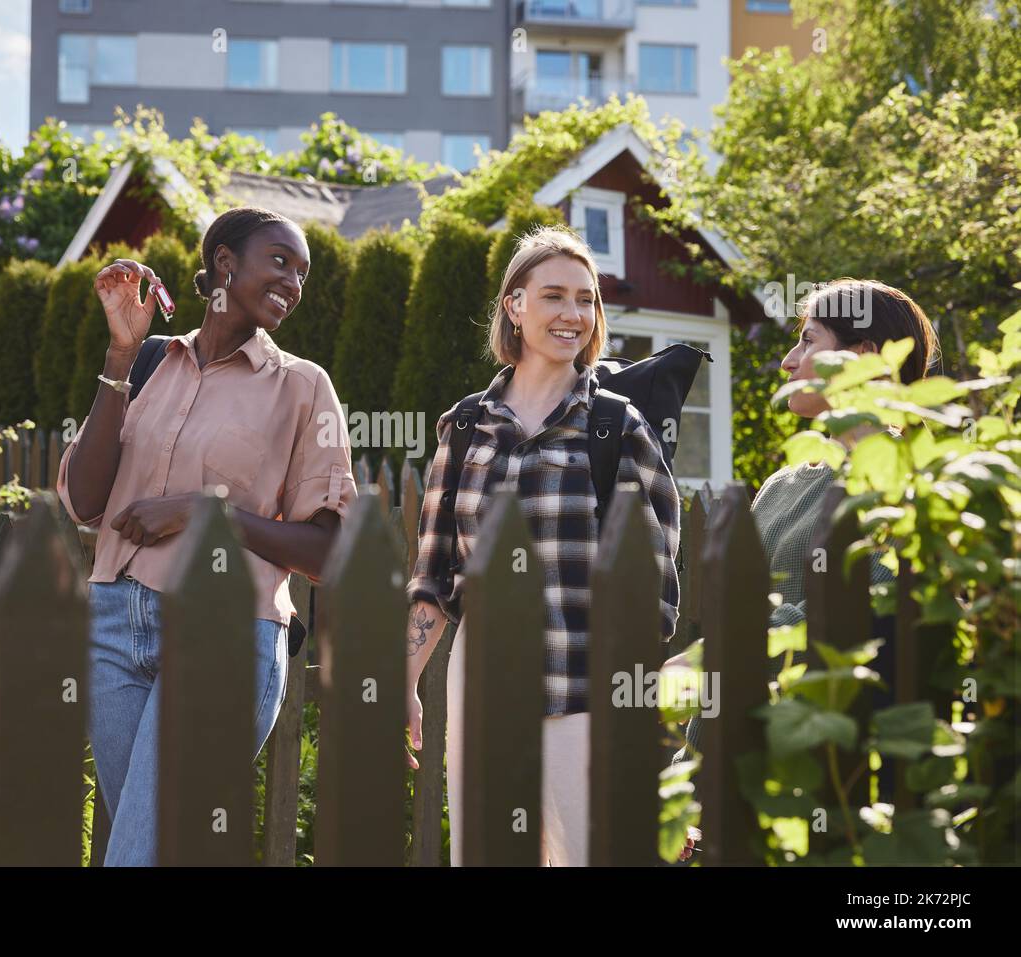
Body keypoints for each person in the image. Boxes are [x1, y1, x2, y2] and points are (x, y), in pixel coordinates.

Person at [56, 206, 357, 866]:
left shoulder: (305, 389)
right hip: (111, 626)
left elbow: (329, 552)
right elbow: (82, 499)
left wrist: (207, 512)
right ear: (225, 261)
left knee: (137, 853)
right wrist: (119, 354)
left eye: (303, 273)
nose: (295, 283)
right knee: (160, 846)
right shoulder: (149, 364)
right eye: (281, 261)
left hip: (225, 630)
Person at [403, 225, 682, 866]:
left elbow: (656, 582)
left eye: (586, 300)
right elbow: (436, 574)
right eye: (554, 296)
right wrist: (406, 678)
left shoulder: (618, 426)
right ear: (515, 305)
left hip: (583, 684)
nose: (573, 315)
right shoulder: (465, 426)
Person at [666, 278, 941, 858]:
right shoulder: (785, 482)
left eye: (808, 340)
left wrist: (726, 648)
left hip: (847, 778)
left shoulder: (914, 482)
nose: (788, 360)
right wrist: (691, 782)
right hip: (743, 767)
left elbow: (872, 605)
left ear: (860, 358)